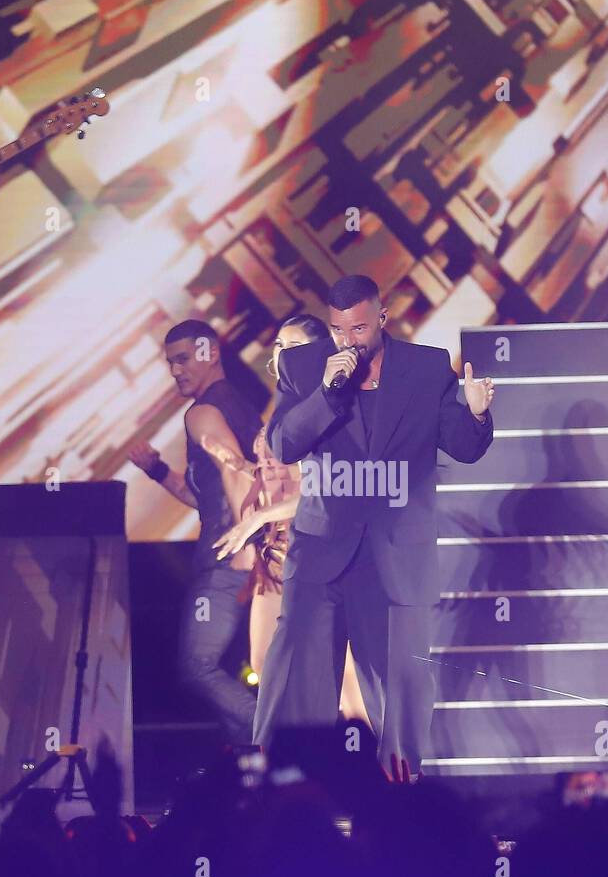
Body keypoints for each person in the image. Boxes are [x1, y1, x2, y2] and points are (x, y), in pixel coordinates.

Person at [251, 275, 495, 781]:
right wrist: (325, 392)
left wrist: (475, 412)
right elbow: (283, 444)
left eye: (359, 329)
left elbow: (463, 447)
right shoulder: (302, 366)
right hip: (320, 555)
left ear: (381, 320)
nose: (348, 341)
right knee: (294, 682)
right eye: (339, 330)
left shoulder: (426, 368)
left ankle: (399, 810)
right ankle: (280, 798)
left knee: (399, 692)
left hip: (394, 558)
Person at [211, 314, 369, 727]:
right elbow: (278, 475)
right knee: (266, 665)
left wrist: (261, 515)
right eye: (278, 344)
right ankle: (306, 764)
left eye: (291, 345)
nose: (279, 353)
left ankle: (374, 774)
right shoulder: (287, 405)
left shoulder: (333, 408)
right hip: (277, 552)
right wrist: (247, 478)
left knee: (348, 674)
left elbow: (327, 493)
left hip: (320, 550)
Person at [128, 320, 261, 744]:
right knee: (221, 669)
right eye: (171, 363)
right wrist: (157, 470)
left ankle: (273, 732)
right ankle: (252, 768)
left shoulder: (203, 413)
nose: (176, 371)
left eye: (183, 359)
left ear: (210, 352)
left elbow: (236, 471)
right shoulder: (240, 407)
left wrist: (245, 542)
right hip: (245, 558)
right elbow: (208, 498)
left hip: (227, 562)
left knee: (197, 667)